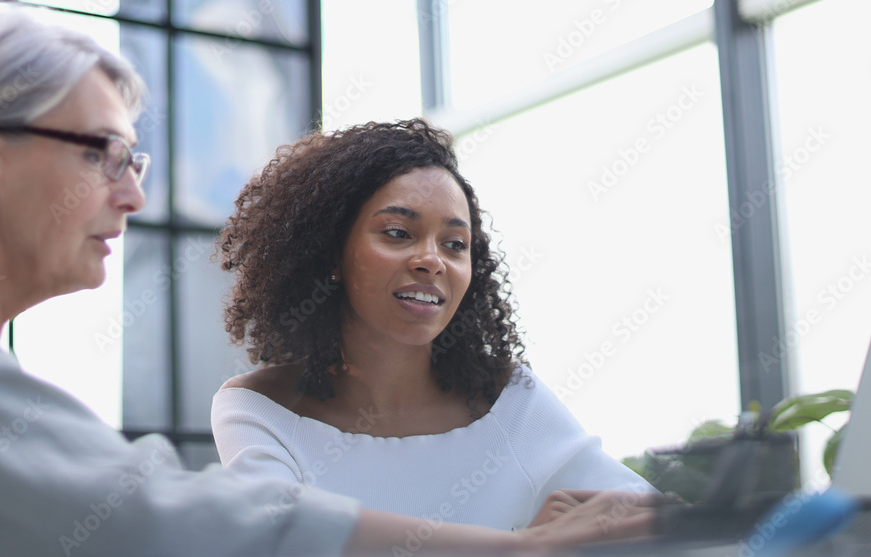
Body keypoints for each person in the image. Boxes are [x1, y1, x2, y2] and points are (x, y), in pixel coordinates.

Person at [0, 10, 653, 557]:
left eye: (133, 159)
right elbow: (141, 514)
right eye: (102, 154)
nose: (135, 193)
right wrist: (514, 555)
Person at [213, 119, 653, 531]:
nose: (432, 260)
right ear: (330, 255)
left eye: (454, 244)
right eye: (398, 233)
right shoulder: (259, 409)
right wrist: (519, 554)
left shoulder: (510, 404)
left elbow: (649, 518)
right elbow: (290, 542)